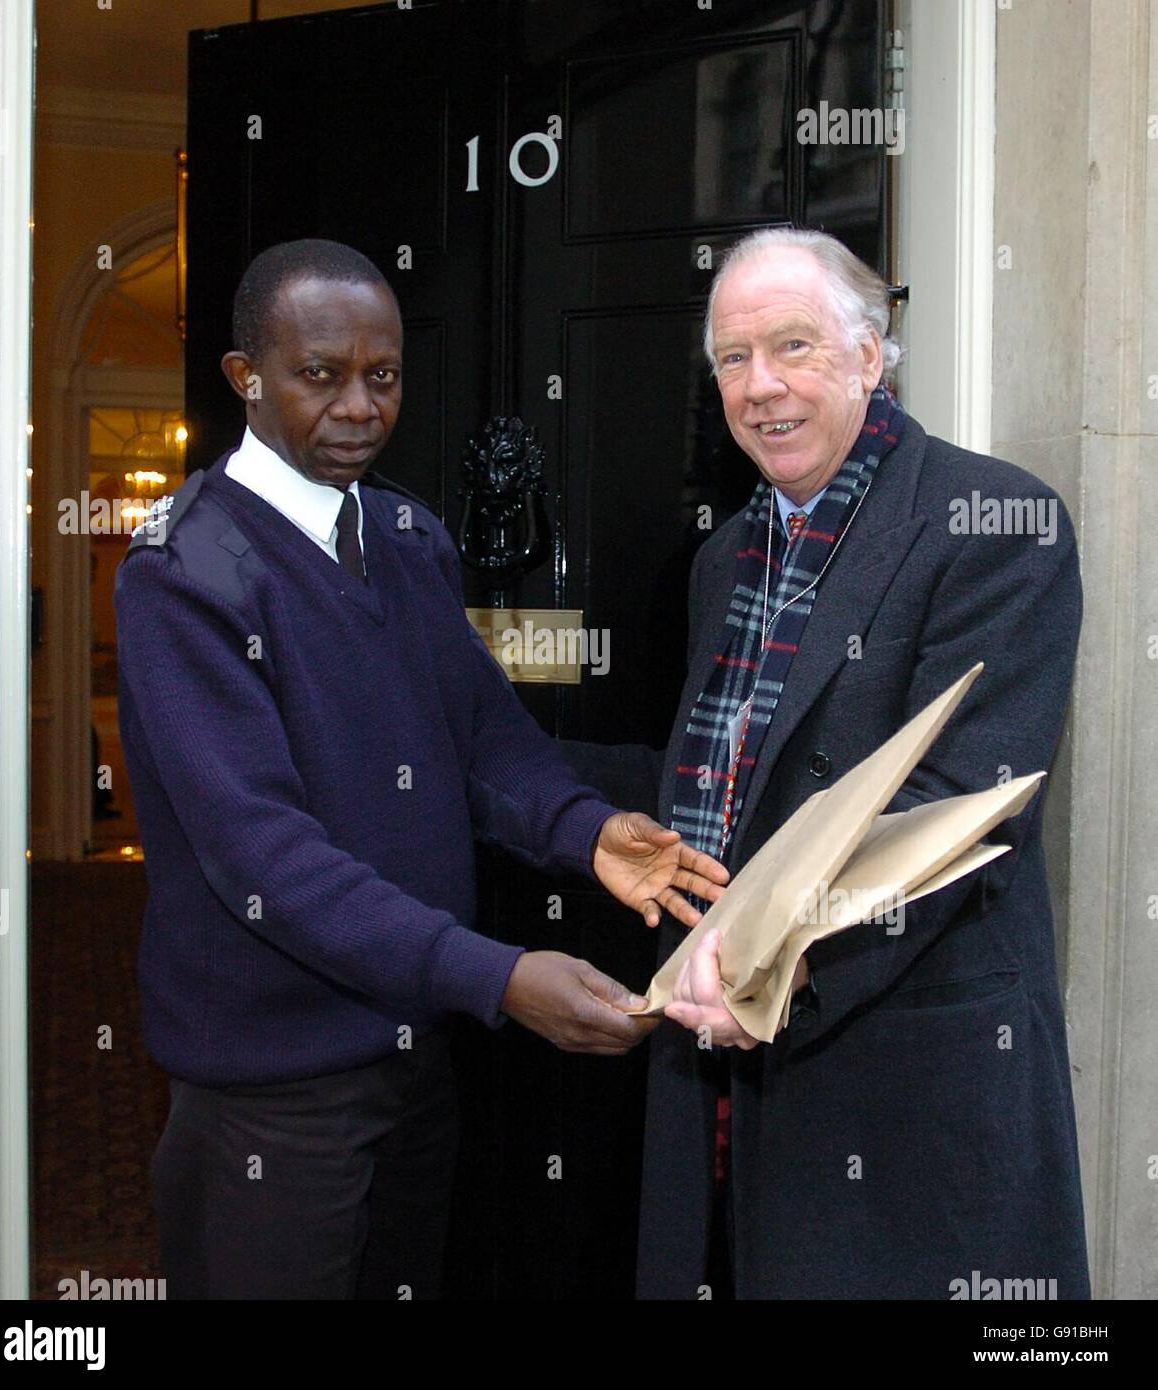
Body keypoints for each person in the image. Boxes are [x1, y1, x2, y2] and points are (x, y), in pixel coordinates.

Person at [113, 238, 721, 1300]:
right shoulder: (184, 571)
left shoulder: (407, 536)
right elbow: (267, 857)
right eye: (320, 374)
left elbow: (480, 740)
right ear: (243, 378)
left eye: (382, 376)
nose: (360, 405)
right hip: (271, 1096)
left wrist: (583, 828)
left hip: (413, 1055)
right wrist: (496, 976)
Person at [562, 227, 1091, 1300]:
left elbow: (960, 810)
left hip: (909, 1083)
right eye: (731, 359)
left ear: (870, 352)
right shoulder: (722, 558)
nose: (761, 387)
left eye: (793, 346)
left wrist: (773, 966)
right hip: (723, 1069)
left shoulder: (995, 523)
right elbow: (728, 780)